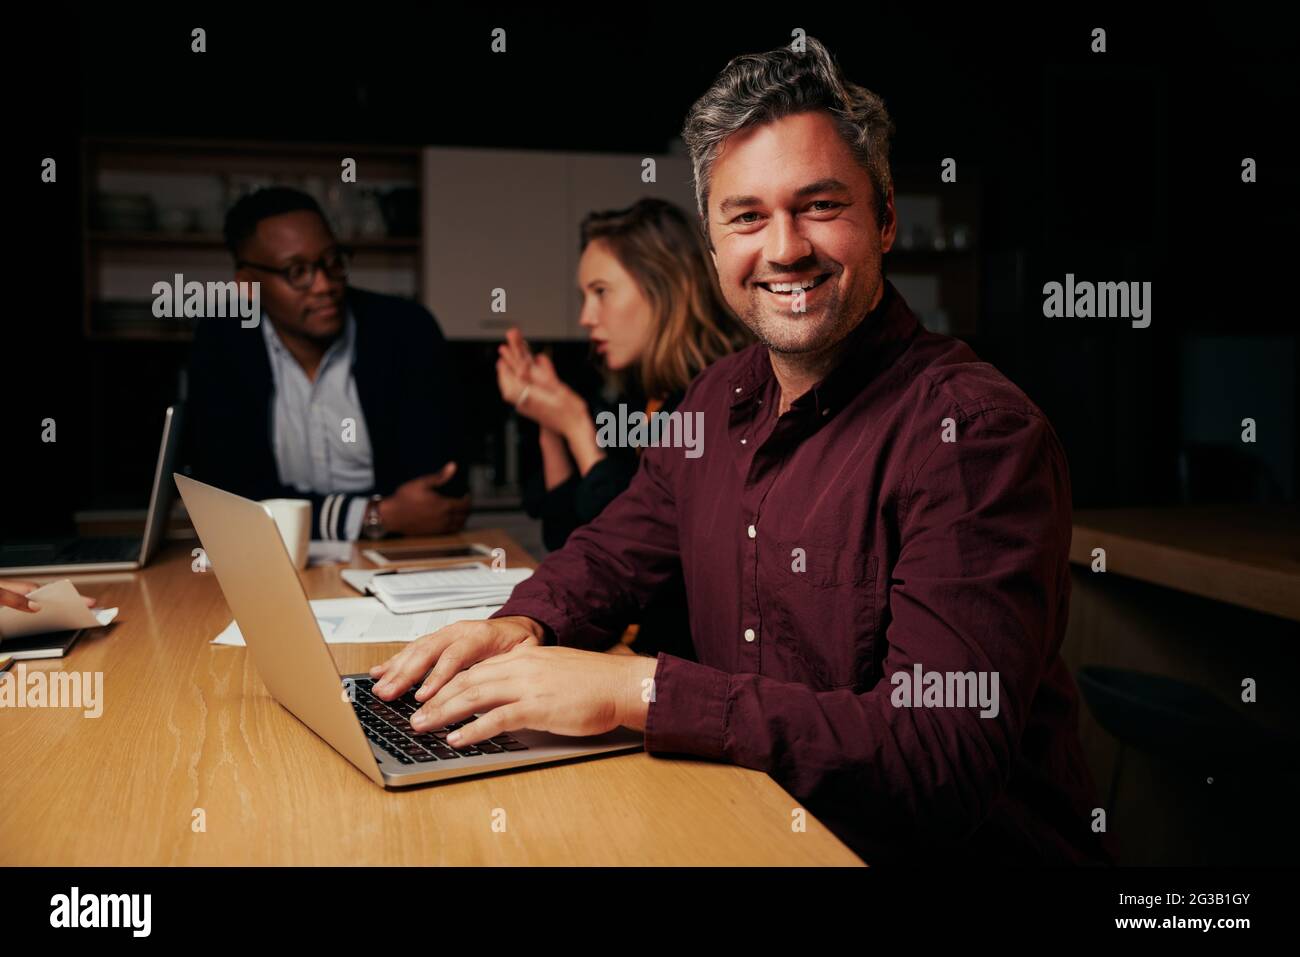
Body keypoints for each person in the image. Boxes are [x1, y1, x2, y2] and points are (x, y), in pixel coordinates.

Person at [369, 37, 1112, 864]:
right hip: (750, 824)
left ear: (887, 217)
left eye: (821, 206)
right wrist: (519, 624)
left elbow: (936, 757)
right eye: (748, 216)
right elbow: (613, 554)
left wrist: (637, 690)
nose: (786, 247)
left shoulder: (972, 434)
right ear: (715, 243)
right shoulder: (716, 398)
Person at [494, 198, 747, 657]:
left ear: (663, 287)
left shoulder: (717, 398)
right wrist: (547, 420)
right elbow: (574, 538)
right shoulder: (643, 399)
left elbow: (646, 558)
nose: (586, 317)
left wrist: (575, 426)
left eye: (601, 292)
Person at [185, 187, 469, 541]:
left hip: (401, 556)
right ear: (248, 284)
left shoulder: (405, 330)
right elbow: (229, 502)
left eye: (333, 261)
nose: (323, 285)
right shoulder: (222, 344)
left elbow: (436, 496)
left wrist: (385, 517)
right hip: (276, 558)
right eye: (296, 271)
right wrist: (375, 515)